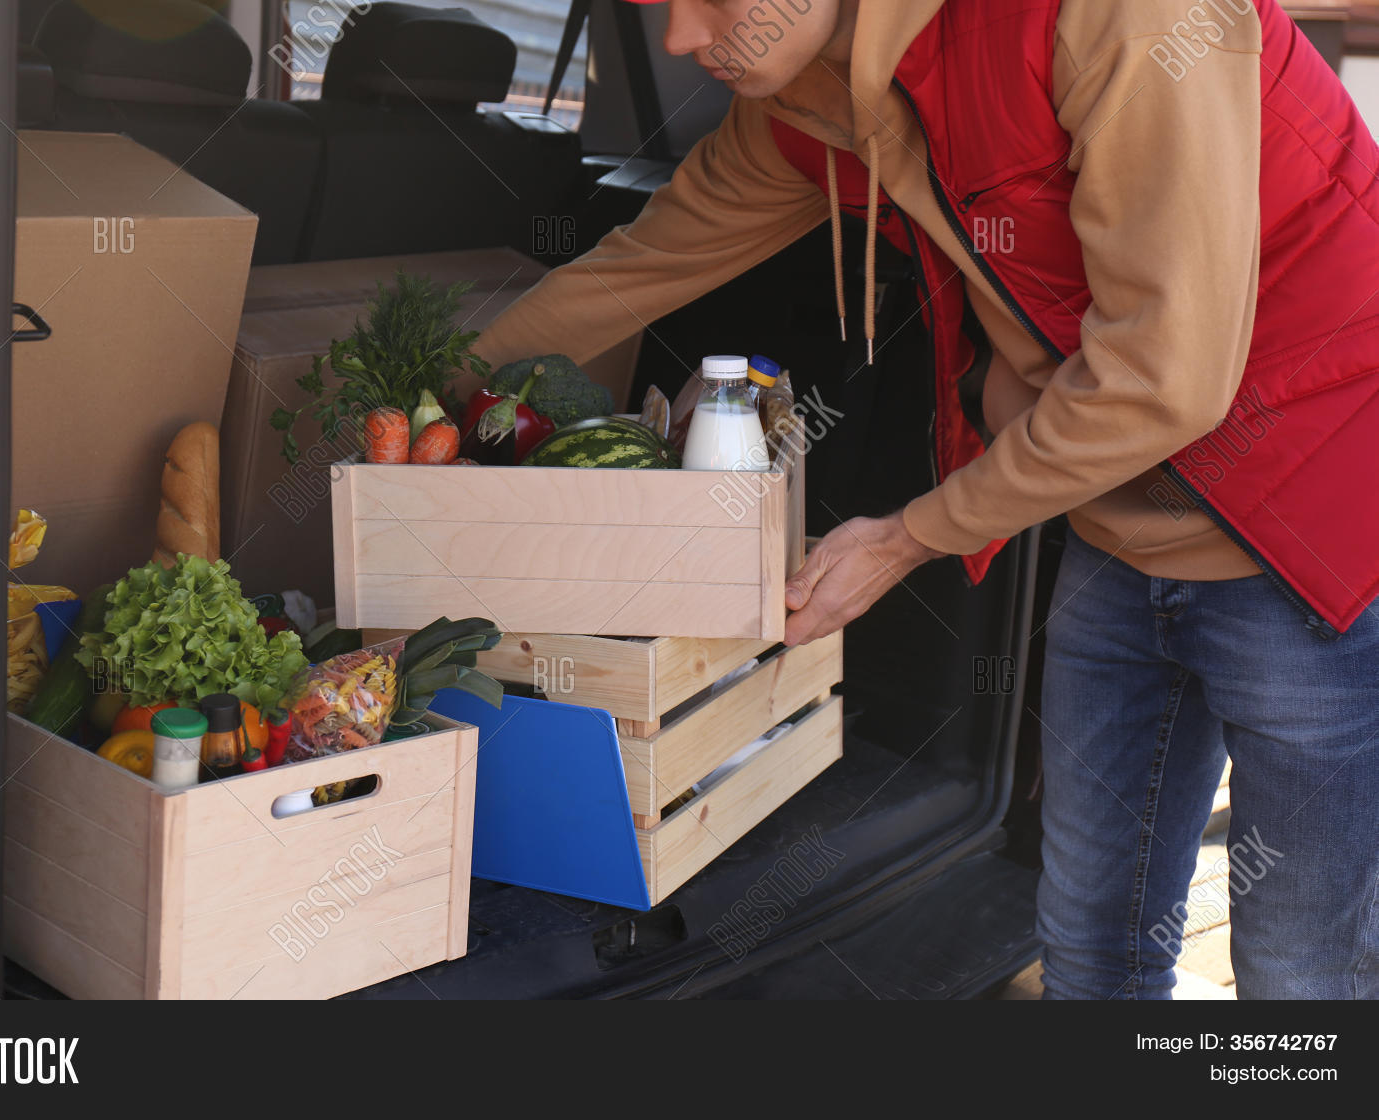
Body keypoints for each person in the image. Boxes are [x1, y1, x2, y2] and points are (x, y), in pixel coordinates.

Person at [474, 0, 1379, 999]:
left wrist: (911, 536)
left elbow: (1168, 375)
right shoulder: (808, 105)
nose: (683, 39)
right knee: (1090, 957)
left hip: (1320, 535)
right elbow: (634, 269)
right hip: (1118, 540)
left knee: (1300, 979)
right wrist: (422, 397)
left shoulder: (1114, 15)